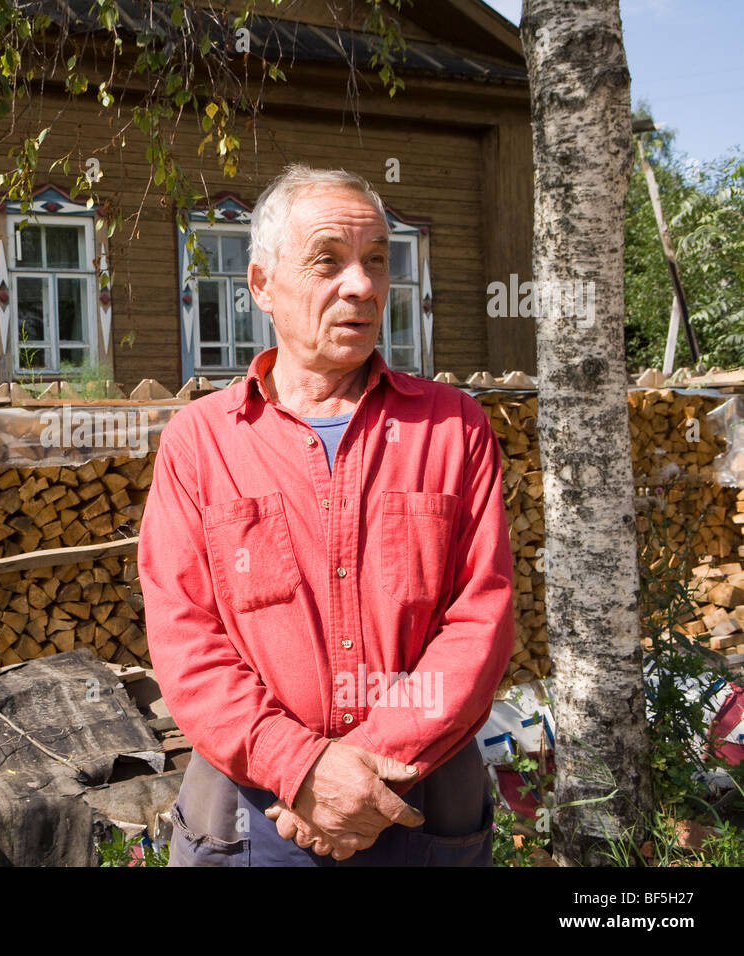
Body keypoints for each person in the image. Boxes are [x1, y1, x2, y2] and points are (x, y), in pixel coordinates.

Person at [139, 165, 515, 866]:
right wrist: (305, 769)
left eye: (376, 261)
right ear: (261, 285)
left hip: (419, 800)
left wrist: (368, 764)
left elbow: (480, 618)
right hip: (257, 808)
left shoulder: (452, 427)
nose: (362, 285)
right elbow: (186, 638)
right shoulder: (201, 442)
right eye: (328, 261)